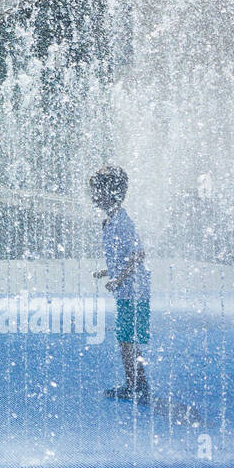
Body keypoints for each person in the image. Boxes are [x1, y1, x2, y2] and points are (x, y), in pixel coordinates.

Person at [90, 165, 152, 402]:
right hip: (130, 289)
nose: (94, 197)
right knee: (127, 340)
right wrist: (108, 271)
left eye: (97, 192)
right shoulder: (113, 219)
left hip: (134, 290)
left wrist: (119, 279)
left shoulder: (122, 222)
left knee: (128, 340)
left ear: (110, 193)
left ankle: (138, 385)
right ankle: (137, 383)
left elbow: (138, 254)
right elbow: (125, 257)